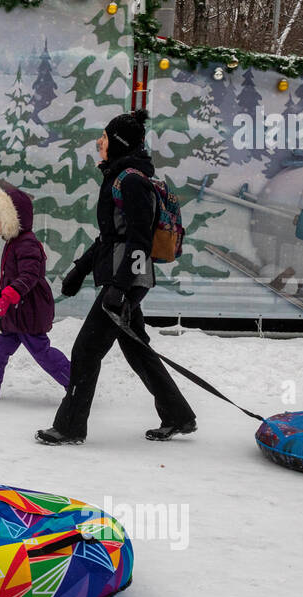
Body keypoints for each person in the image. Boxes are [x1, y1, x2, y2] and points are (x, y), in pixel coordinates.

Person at [36, 109, 196, 445]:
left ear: (118, 143)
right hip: (122, 278)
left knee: (85, 351)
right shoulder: (121, 177)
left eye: (105, 138)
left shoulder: (132, 181)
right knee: (137, 349)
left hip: (127, 280)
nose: (99, 142)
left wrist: (120, 289)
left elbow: (138, 240)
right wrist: (80, 270)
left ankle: (69, 426)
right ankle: (178, 415)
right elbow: (110, 237)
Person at [0, 186, 70, 400]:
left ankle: (77, 383)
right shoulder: (14, 242)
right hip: (11, 312)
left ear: (14, 219)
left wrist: (9, 295)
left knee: (42, 352)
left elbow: (30, 275)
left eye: (3, 217)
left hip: (27, 311)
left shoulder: (27, 243)